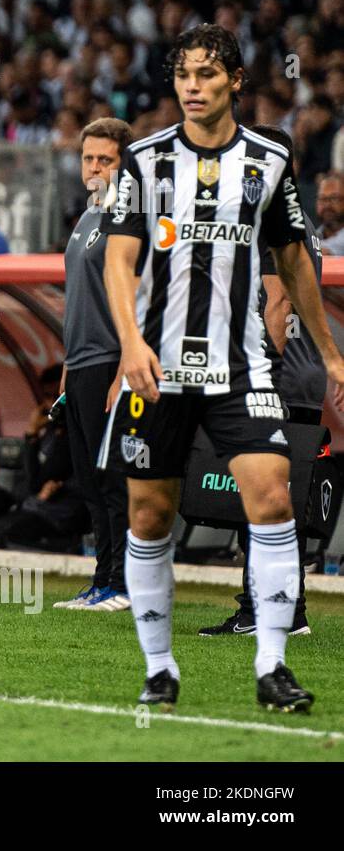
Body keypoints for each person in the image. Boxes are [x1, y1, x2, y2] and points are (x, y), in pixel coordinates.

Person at [100, 23, 344, 713]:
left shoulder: (269, 158)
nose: (193, 87)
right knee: (150, 517)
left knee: (270, 497)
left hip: (242, 368)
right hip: (159, 367)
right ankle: (159, 668)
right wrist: (129, 341)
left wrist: (329, 353)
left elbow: (293, 259)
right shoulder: (144, 161)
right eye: (184, 75)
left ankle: (272, 665)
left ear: (235, 79)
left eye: (207, 74)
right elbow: (119, 260)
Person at [199, 125, 319, 637]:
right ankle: (286, 610)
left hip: (278, 376)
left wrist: (259, 375)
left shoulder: (271, 219)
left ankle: (264, 609)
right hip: (303, 377)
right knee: (278, 500)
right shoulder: (301, 222)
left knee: (261, 499)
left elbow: (278, 303)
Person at [52, 117, 133, 612]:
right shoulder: (86, 217)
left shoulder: (132, 217)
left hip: (111, 361)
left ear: (125, 162)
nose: (95, 166)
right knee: (88, 478)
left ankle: (123, 583)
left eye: (106, 158)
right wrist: (66, 365)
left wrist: (126, 366)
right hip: (81, 363)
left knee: (114, 478)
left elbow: (141, 299)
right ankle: (102, 578)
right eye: (89, 158)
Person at [0, 367, 89, 552]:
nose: (51, 403)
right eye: (47, 396)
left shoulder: (73, 435)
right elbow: (30, 482)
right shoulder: (50, 432)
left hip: (59, 516)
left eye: (57, 397)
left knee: (0, 537)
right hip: (35, 508)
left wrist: (31, 437)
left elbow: (35, 482)